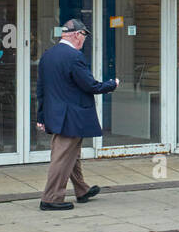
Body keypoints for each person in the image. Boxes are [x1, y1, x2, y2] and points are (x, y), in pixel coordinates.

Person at [34, 19, 118, 210]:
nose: (83, 41)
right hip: (71, 116)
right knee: (62, 157)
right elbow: (90, 85)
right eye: (83, 36)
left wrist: (41, 116)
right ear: (76, 35)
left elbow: (41, 89)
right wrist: (112, 84)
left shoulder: (48, 55)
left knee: (71, 155)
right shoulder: (74, 57)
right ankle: (51, 198)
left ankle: (81, 190)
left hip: (56, 115)